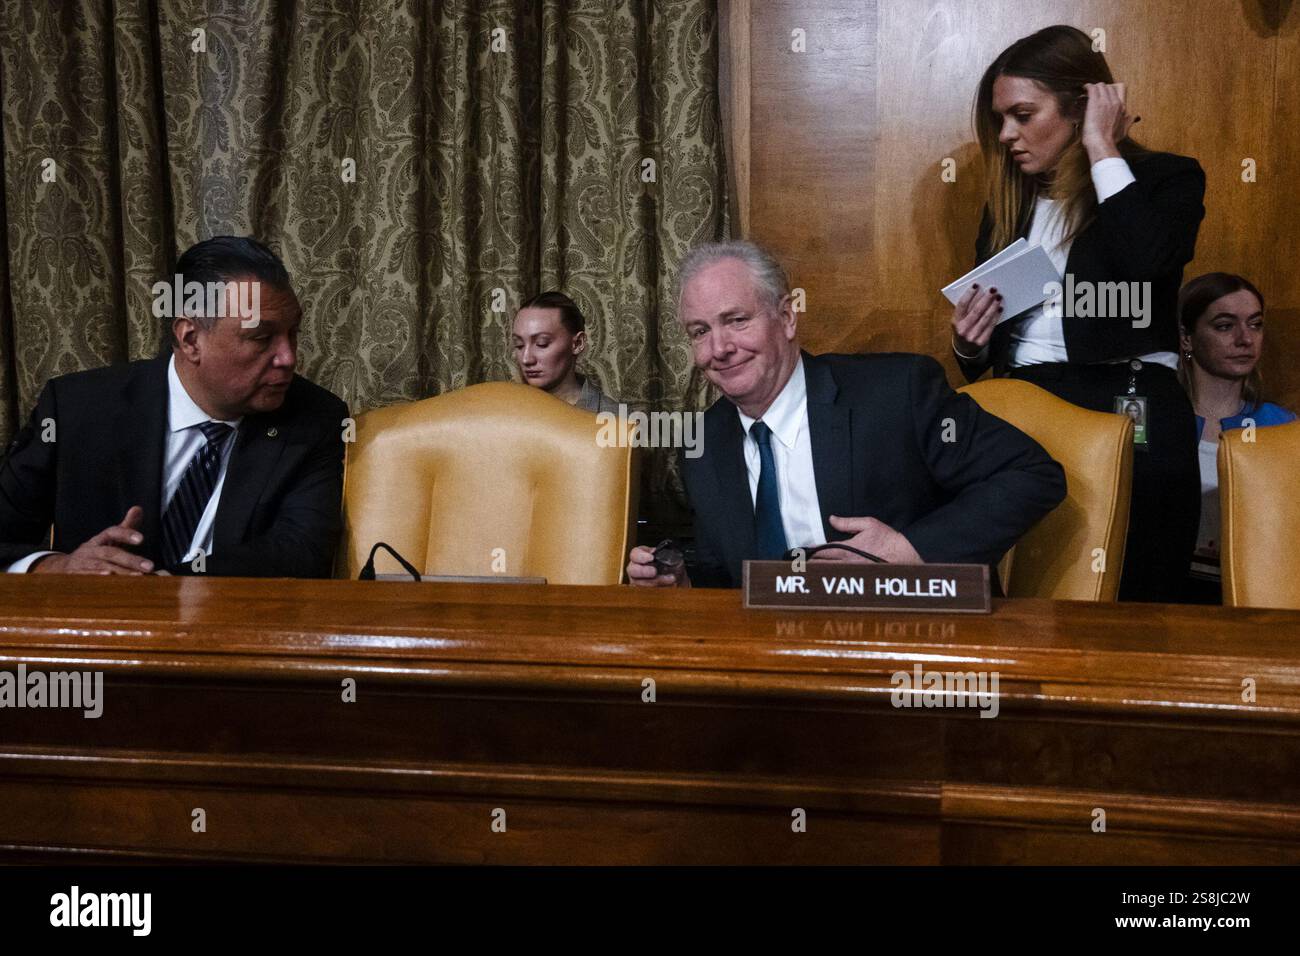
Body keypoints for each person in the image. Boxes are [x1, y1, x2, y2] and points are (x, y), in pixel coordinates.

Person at [627, 240, 1067, 589]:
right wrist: (683, 582)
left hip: (906, 651)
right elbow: (730, 580)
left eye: (737, 320)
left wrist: (913, 549)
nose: (718, 348)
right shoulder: (704, 442)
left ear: (786, 318)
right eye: (700, 332)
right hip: (772, 670)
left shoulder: (897, 392)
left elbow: (1032, 474)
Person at [950, 24, 1206, 604]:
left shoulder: (1166, 178)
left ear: (1083, 105)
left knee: (1135, 585)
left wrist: (1102, 148)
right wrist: (970, 343)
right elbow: (984, 357)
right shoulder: (1006, 206)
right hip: (1021, 400)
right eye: (1000, 121)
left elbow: (1146, 263)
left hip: (1126, 393)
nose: (1008, 135)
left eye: (1022, 114)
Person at [0, 236, 348, 577]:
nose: (288, 358)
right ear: (190, 339)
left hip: (233, 624)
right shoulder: (76, 408)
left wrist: (167, 587)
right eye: (261, 338)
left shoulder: (315, 418)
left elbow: (300, 552)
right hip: (98, 626)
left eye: (293, 333)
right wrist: (56, 566)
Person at [1176, 273, 1295, 603]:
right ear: (1187, 337)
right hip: (1168, 592)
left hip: (1254, 595)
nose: (1246, 339)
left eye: (1255, 324)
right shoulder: (1163, 423)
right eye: (1225, 326)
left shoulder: (1283, 427)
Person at [512, 290, 618, 414]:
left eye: (542, 343)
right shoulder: (503, 412)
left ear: (578, 343)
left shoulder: (618, 422)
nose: (526, 359)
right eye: (519, 345)